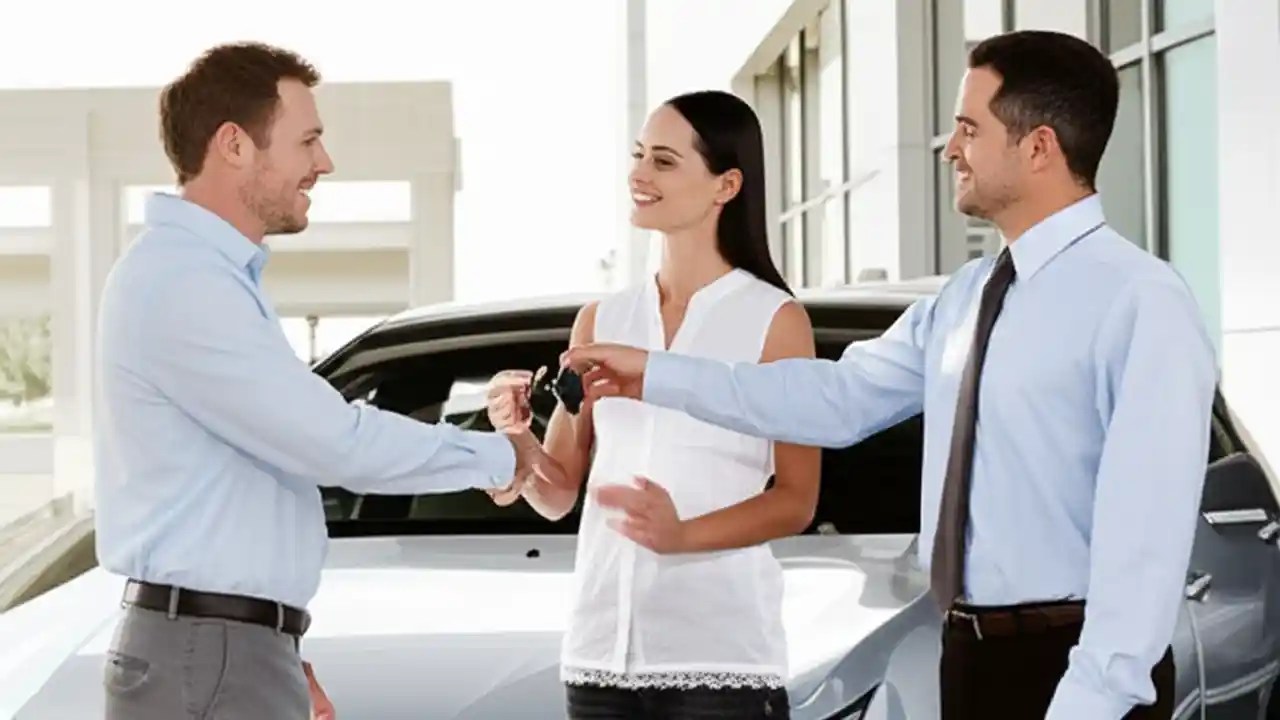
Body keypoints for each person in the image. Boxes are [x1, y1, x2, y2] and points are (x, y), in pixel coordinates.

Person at [562, 30, 1217, 720]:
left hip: (1080, 676)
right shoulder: (965, 299)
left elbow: (1143, 549)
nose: (949, 149)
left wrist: (1088, 704)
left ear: (1039, 147)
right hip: (970, 658)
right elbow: (835, 399)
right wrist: (655, 374)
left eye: (969, 128)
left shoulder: (1140, 302)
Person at [94, 42, 543, 720]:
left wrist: (275, 646)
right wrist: (501, 455)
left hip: (224, 648)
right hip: (208, 652)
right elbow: (332, 442)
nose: (323, 163)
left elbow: (242, 478)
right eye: (308, 140)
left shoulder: (197, 275)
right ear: (235, 145)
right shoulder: (185, 281)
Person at [485, 90, 820, 719]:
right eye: (638, 156)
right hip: (597, 660)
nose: (639, 175)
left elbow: (796, 499)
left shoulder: (775, 320)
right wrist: (517, 435)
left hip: (720, 664)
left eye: (664, 161)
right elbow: (557, 493)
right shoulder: (601, 319)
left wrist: (682, 534)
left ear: (727, 185)